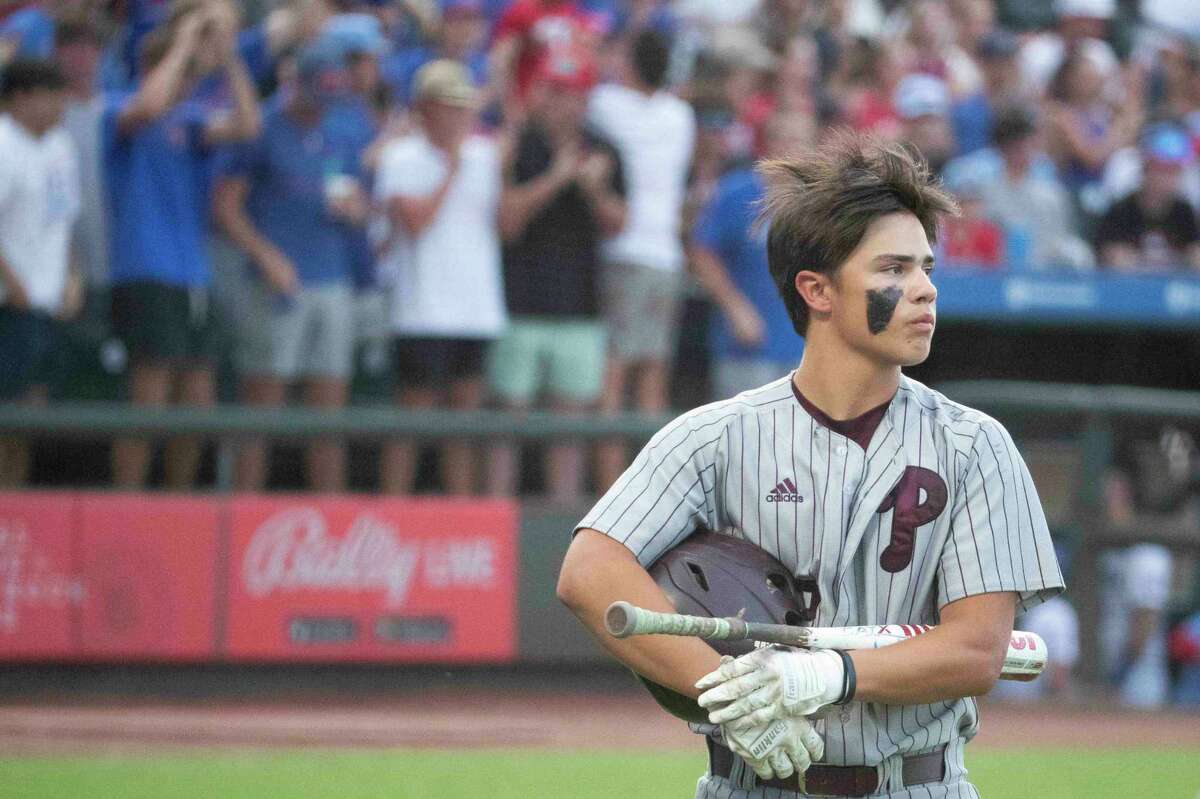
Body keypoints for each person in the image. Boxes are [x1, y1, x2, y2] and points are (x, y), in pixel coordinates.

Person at [558, 130, 1064, 796]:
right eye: (893, 269)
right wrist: (731, 698)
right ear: (817, 291)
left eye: (926, 268)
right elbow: (590, 572)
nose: (923, 290)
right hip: (753, 782)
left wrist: (829, 674)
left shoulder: (976, 444)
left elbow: (976, 650)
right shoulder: (716, 435)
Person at [104, 4, 260, 490]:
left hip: (193, 274)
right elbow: (149, 106)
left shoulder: (192, 122)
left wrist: (229, 57)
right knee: (148, 400)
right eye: (183, 72)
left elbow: (248, 125)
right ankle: (127, 505)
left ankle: (179, 504)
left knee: (198, 400)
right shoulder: (120, 109)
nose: (189, 81)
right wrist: (185, 42)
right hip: (145, 269)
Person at [212, 38, 368, 492]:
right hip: (275, 281)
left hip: (333, 275)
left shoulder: (341, 128)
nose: (325, 104)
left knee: (329, 406)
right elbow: (224, 207)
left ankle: (329, 512)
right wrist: (265, 255)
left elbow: (358, 201)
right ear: (296, 83)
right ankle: (242, 510)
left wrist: (356, 210)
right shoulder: (263, 127)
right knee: (264, 401)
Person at [484, 50, 626, 503]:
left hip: (579, 306)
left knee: (570, 429)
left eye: (570, 94)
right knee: (509, 422)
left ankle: (563, 529)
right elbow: (505, 222)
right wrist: (556, 178)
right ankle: (493, 522)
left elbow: (619, 223)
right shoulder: (517, 142)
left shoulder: (605, 147)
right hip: (519, 302)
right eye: (552, 90)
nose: (559, 102)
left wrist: (593, 188)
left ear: (584, 99)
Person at [375, 59, 509, 495]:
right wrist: (451, 170)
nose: (459, 117)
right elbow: (415, 221)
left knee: (463, 427)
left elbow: (503, 224)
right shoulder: (401, 157)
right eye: (448, 107)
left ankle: (463, 517)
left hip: (476, 309)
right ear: (425, 109)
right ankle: (393, 513)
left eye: (463, 107)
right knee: (410, 423)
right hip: (422, 310)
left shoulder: (485, 157)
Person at [587, 29, 695, 491]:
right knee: (651, 382)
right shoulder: (681, 116)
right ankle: (652, 497)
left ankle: (613, 499)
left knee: (612, 382)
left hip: (624, 254)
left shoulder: (606, 104)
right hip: (665, 257)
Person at [690, 110, 809, 399]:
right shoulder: (737, 192)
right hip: (746, 346)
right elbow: (702, 252)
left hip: (803, 347)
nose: (793, 148)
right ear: (767, 144)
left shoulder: (817, 201)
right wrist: (734, 307)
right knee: (744, 438)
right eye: (785, 139)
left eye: (801, 141)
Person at [0, 59, 80, 486]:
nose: (60, 104)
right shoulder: (3, 144)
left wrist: (72, 276)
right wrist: (14, 286)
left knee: (34, 412)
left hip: (49, 302)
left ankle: (16, 508)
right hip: (12, 305)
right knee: (8, 413)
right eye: (51, 94)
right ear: (21, 97)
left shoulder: (60, 145)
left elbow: (63, 218)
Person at [1095, 123, 1200, 271]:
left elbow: (1195, 253)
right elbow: (1109, 255)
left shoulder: (1184, 211)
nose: (1165, 179)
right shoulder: (1122, 209)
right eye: (1160, 170)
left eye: (1172, 172)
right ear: (1145, 170)